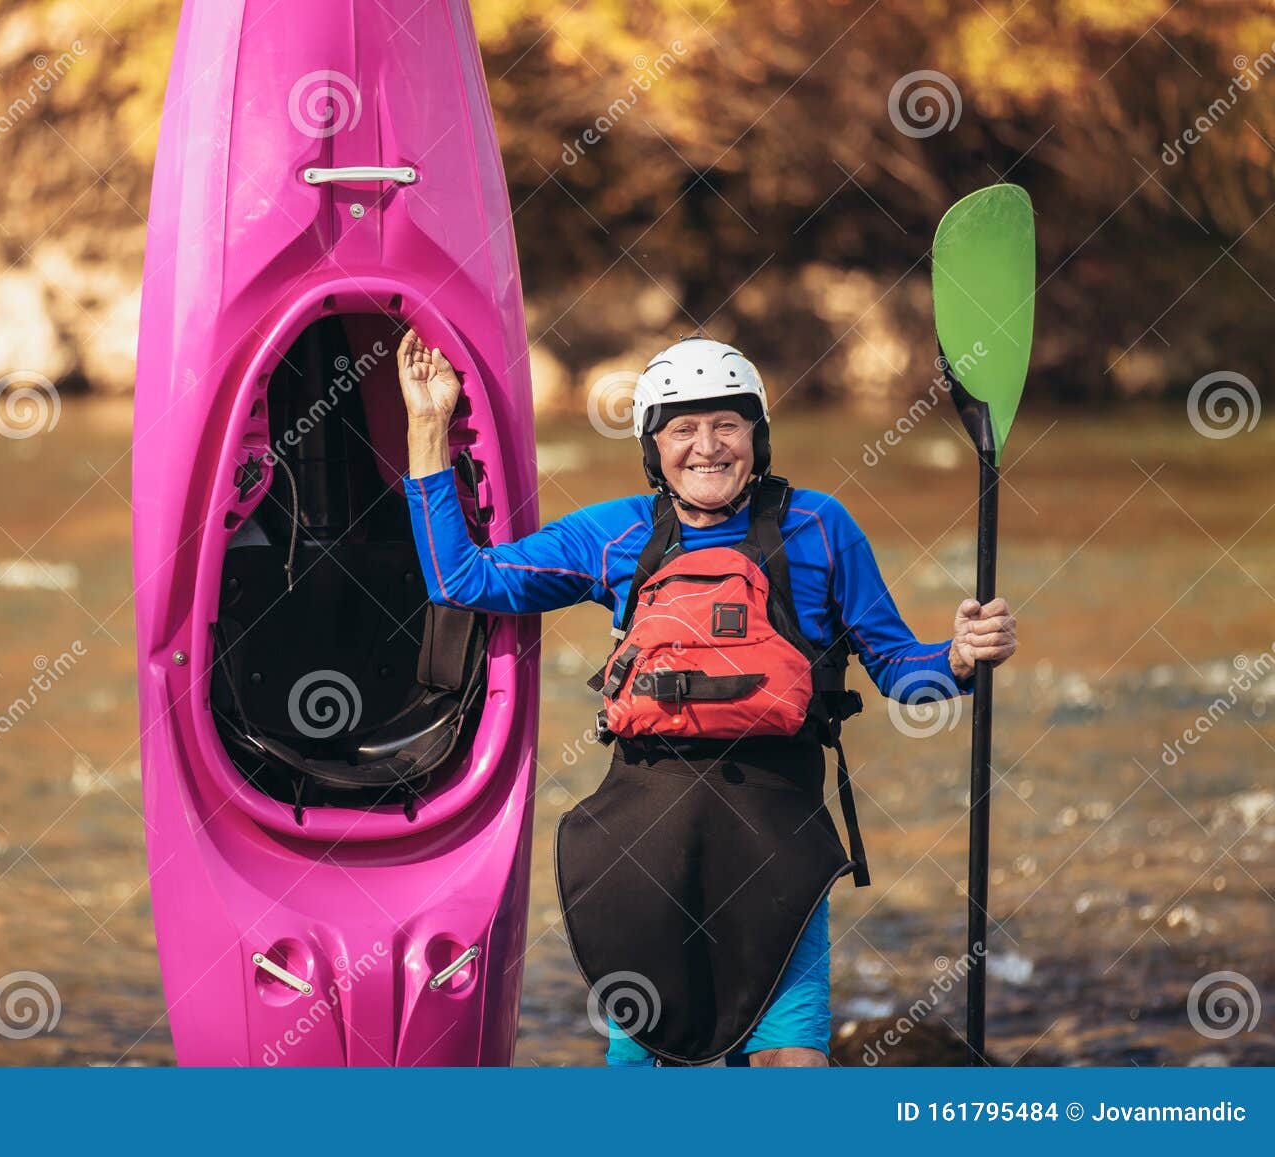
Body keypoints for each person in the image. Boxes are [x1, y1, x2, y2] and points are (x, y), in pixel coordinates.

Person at [396, 329, 1018, 1067]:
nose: (708, 446)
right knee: (649, 1080)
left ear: (759, 433)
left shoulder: (820, 527)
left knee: (794, 1068)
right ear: (653, 447)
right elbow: (460, 580)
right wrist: (429, 427)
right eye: (683, 428)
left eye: (728, 423)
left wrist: (958, 656)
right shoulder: (616, 534)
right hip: (647, 844)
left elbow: (899, 670)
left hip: (775, 841)